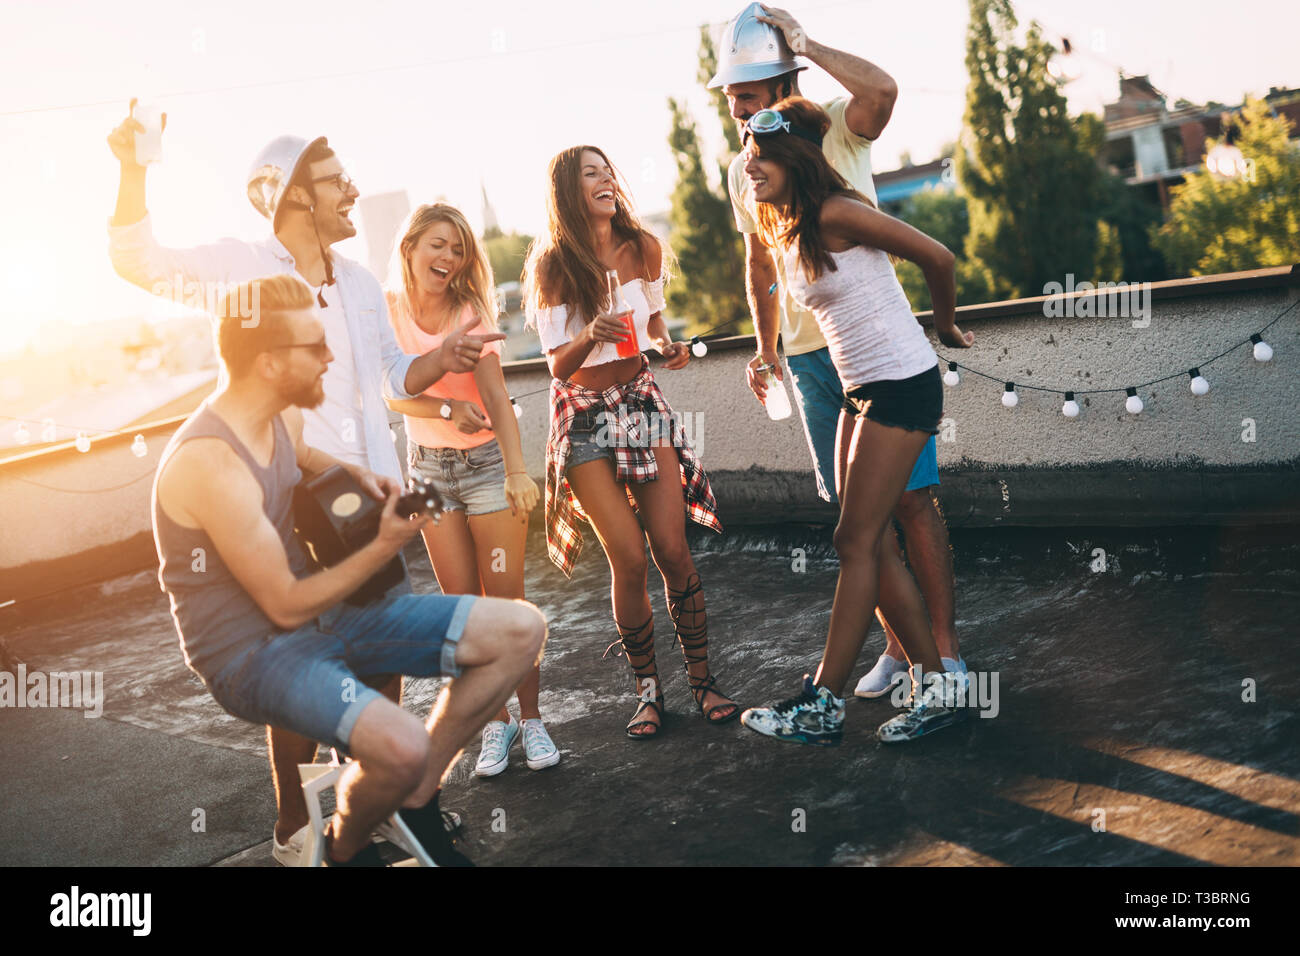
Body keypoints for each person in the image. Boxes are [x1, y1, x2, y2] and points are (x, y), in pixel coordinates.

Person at [107, 109, 503, 864]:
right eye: (335, 182)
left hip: (366, 495)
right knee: (297, 660)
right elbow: (143, 265)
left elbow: (393, 376)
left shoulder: (357, 281)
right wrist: (134, 169)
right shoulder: (244, 269)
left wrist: (443, 353)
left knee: (380, 650)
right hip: (288, 499)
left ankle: (381, 804)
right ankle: (296, 826)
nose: (352, 191)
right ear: (291, 197)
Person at [152, 275, 545, 865]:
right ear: (266, 363)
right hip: (253, 652)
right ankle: (343, 848)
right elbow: (284, 604)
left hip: (327, 617)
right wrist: (383, 542)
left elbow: (308, 459)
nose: (329, 357)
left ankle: (412, 795)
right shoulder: (207, 463)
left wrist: (367, 480)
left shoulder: (279, 419)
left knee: (522, 630)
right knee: (402, 741)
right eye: (314, 346)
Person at [712, 4, 965, 696]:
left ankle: (943, 653)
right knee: (860, 527)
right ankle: (899, 651)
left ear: (781, 85)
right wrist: (765, 349)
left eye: (749, 96)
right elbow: (761, 264)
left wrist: (807, 43)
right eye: (731, 100)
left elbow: (882, 92)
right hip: (814, 365)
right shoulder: (750, 167)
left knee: (911, 507)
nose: (739, 113)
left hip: (880, 363)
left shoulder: (826, 129)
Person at [521, 145, 735, 739]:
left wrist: (665, 346)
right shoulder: (553, 265)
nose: (606, 179)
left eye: (608, 170)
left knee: (672, 548)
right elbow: (558, 367)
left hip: (640, 400)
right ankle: (647, 693)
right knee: (630, 558)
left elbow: (655, 322)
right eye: (591, 173)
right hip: (585, 415)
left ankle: (702, 681)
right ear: (569, 190)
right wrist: (590, 333)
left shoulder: (643, 247)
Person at [384, 203, 558, 776]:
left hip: (485, 466)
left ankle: (531, 721)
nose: (449, 257)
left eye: (458, 249)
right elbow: (388, 392)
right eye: (438, 244)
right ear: (410, 247)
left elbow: (499, 402)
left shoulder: (469, 313)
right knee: (461, 611)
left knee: (505, 605)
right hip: (429, 475)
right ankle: (495, 725)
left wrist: (515, 470)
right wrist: (443, 406)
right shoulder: (385, 313)